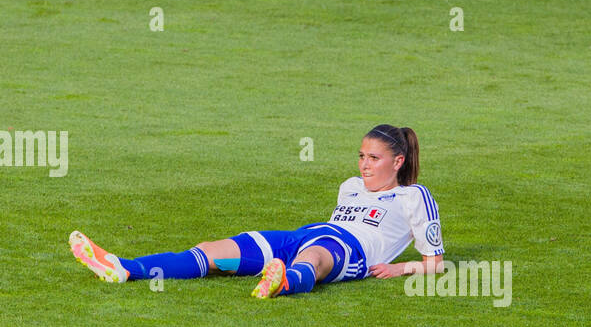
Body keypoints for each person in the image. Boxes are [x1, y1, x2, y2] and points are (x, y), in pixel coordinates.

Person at [69, 124, 445, 297]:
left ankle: (283, 283)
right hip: (304, 234)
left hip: (352, 253)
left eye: (374, 158)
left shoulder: (414, 196)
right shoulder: (350, 186)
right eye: (361, 156)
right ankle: (123, 268)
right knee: (213, 250)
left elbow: (437, 262)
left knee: (313, 259)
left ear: (398, 161)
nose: (364, 165)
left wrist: (402, 267)